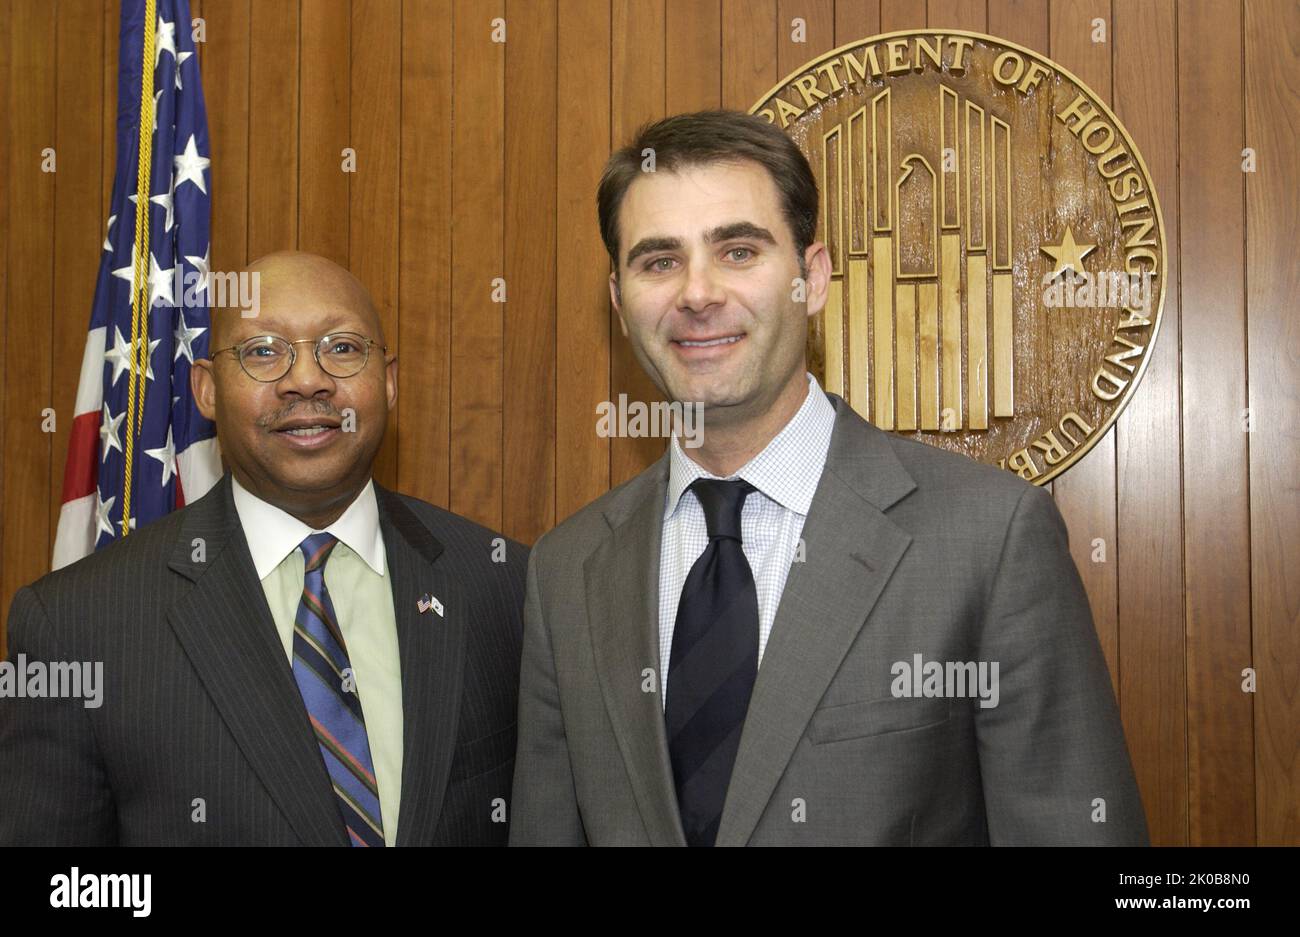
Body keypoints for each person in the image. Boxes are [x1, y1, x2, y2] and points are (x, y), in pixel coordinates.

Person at [509, 110, 1149, 846]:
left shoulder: (989, 542)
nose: (696, 292)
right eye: (658, 262)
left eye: (739, 250)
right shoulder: (564, 573)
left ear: (810, 280)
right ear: (621, 305)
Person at [0, 252, 525, 846]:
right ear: (206, 390)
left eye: (343, 347)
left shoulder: (506, 585)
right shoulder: (76, 624)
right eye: (264, 351)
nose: (306, 379)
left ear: (389, 381)